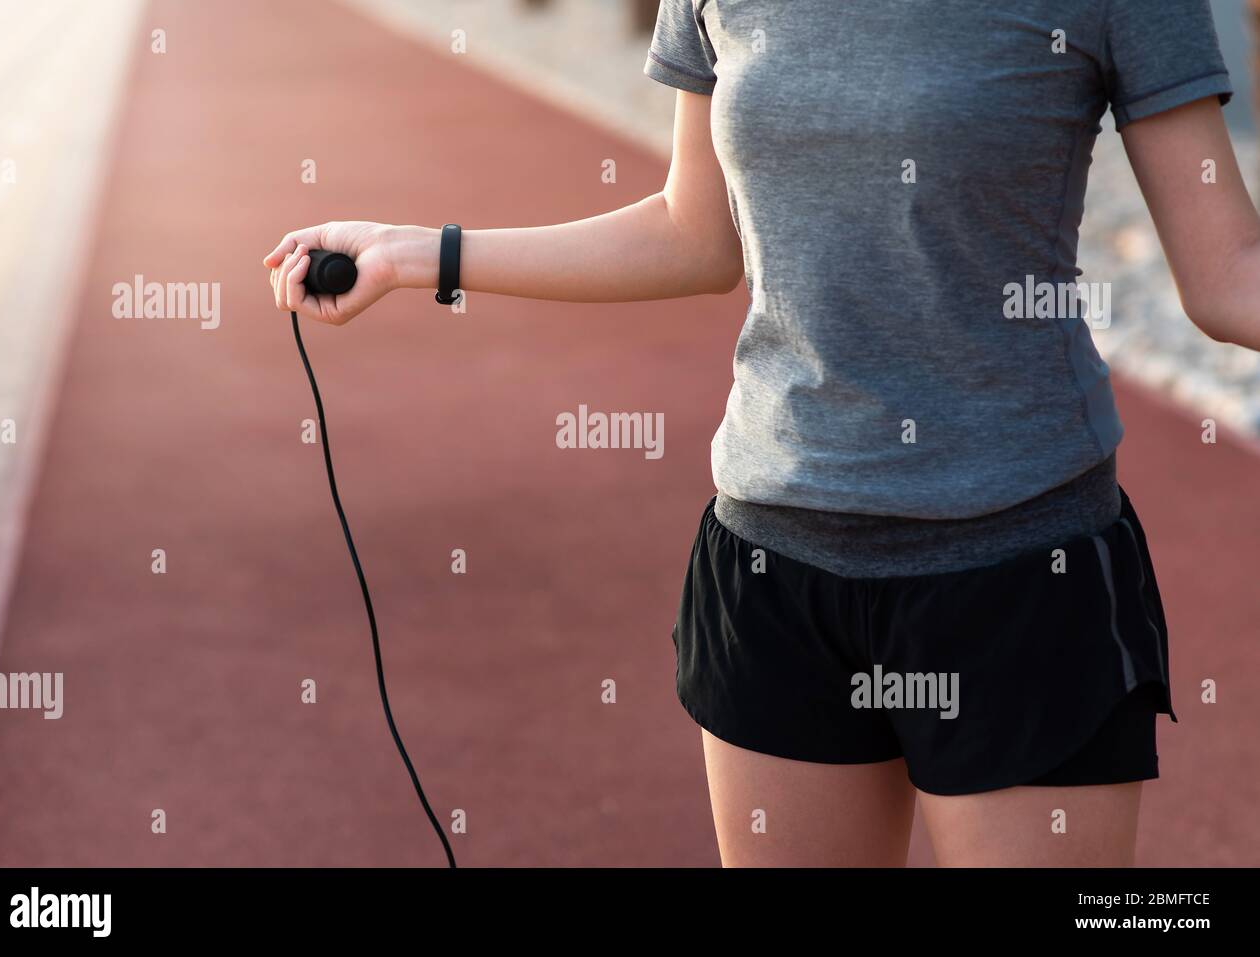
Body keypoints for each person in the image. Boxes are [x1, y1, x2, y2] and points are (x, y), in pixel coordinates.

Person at [265, 0, 1258, 866]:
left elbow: (1227, 278)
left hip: (1018, 576)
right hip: (773, 570)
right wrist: (413, 253)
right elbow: (690, 235)